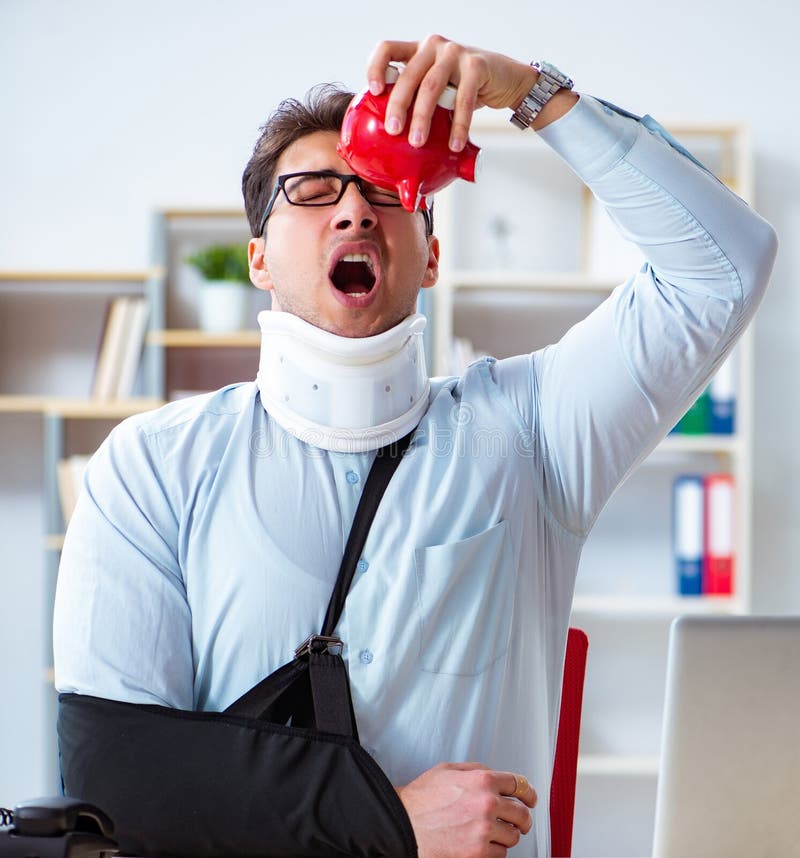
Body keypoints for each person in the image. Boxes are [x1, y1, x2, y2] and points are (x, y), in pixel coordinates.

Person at [53, 34, 777, 858]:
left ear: (431, 257)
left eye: (385, 191)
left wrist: (528, 92)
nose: (355, 210)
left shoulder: (529, 433)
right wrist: (385, 826)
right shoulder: (150, 468)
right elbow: (115, 780)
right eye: (313, 191)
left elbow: (723, 269)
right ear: (258, 257)